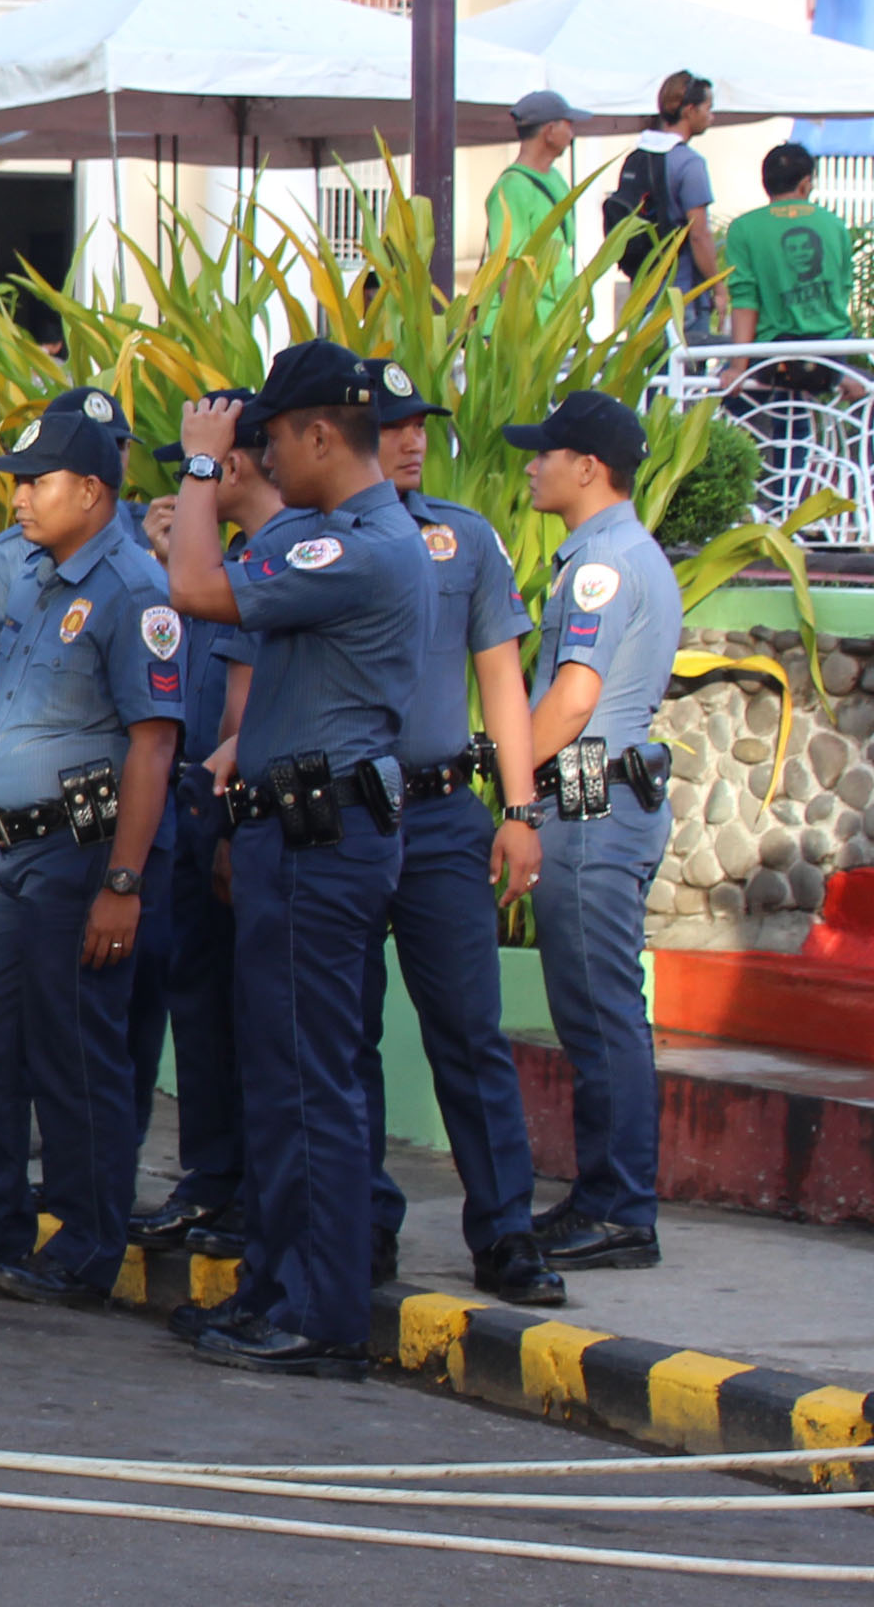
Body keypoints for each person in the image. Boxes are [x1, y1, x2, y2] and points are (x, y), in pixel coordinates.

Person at [156, 342, 429, 1376]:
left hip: (324, 839)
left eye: (270, 439)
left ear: (320, 434)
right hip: (290, 831)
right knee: (282, 1076)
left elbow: (192, 586)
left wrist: (197, 467)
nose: (257, 457)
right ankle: (279, 1285)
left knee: (310, 1081)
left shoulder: (358, 545)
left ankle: (318, 1309)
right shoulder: (324, 536)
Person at [0, 391, 182, 1308]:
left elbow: (155, 742)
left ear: (91, 488)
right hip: (17, 851)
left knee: (75, 1049)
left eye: (36, 483)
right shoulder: (36, 577)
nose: (19, 499)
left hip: (87, 851)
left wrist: (122, 882)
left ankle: (87, 1239)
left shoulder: (132, 591)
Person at [364, 359, 563, 1306]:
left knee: (469, 1032)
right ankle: (362, 1224)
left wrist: (520, 812)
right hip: (348, 812)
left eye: (419, 425)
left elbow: (502, 682)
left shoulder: (464, 539)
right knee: (343, 1032)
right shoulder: (314, 540)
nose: (410, 439)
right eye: (390, 424)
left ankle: (506, 1231)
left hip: (443, 814)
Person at [509, 389, 685, 1271]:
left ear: (587, 468)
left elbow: (573, 699)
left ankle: (618, 1208)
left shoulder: (600, 565)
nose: (532, 465)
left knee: (599, 1014)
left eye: (545, 453)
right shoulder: (621, 554)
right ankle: (612, 1199)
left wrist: (509, 793)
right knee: (604, 1010)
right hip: (610, 807)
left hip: (590, 811)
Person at [127, 401, 267, 1254]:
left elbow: (242, 707)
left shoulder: (266, 564)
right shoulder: (185, 568)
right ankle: (213, 1179)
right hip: (185, 803)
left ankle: (248, 1190)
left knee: (253, 1015)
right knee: (200, 1008)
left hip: (237, 810)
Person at [720, 142, 866, 398]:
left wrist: (736, 368)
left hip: (773, 359)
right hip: (831, 356)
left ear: (766, 182)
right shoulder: (835, 225)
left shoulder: (744, 228)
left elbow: (745, 302)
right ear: (805, 183)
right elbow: (843, 291)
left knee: (722, 398)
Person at [611, 71, 723, 341]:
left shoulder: (636, 157)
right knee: (685, 375)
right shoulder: (688, 162)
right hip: (682, 293)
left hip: (643, 287)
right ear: (689, 110)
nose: (712, 116)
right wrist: (718, 287)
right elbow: (698, 234)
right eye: (708, 108)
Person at [484, 90, 587, 322]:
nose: (573, 133)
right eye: (568, 125)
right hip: (531, 325)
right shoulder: (511, 188)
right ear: (549, 131)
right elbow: (508, 266)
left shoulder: (555, 179)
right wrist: (517, 331)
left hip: (557, 319)